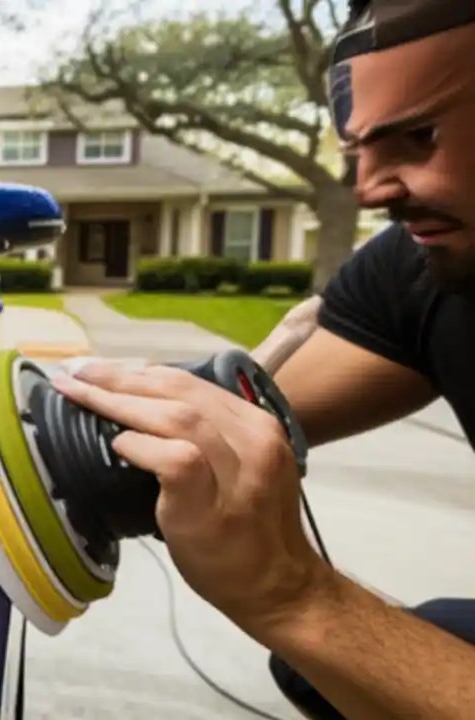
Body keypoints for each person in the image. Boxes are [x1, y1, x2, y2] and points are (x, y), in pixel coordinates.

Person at [52, 2, 475, 718]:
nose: (369, 191)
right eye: (356, 155)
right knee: (313, 668)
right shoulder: (424, 266)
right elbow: (235, 412)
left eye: (418, 137)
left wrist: (296, 597)